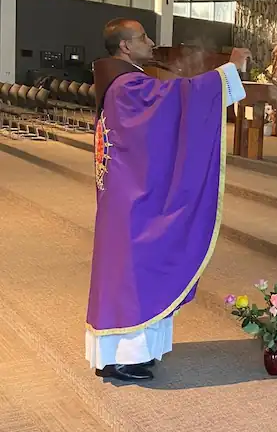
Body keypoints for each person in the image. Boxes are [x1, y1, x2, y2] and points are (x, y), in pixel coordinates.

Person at [85, 19, 249, 382]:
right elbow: (174, 101)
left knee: (129, 273)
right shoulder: (128, 87)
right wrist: (229, 72)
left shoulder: (120, 82)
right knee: (136, 273)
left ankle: (124, 354)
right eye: (143, 37)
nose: (151, 41)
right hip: (132, 203)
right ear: (125, 47)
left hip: (124, 195)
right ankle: (124, 358)